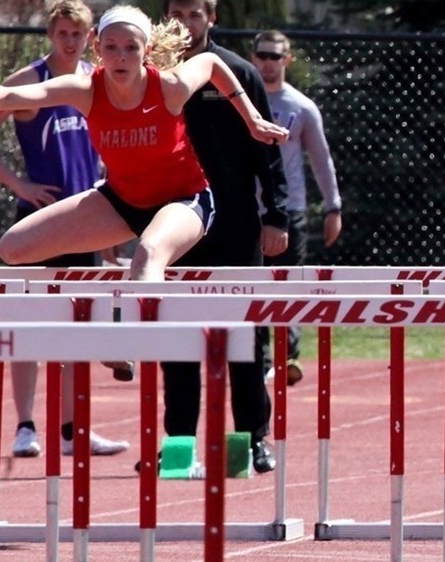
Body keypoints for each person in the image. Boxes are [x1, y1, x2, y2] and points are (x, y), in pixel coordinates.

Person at [0, 4, 287, 282]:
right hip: (122, 202)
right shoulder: (85, 90)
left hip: (184, 200)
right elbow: (12, 94)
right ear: (98, 50)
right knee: (13, 248)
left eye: (131, 48)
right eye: (111, 48)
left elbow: (213, 64)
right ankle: (115, 335)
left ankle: (133, 345)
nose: (120, 57)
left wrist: (251, 118)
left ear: (146, 52)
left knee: (148, 253)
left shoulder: (170, 87)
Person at [0, 0, 129, 456]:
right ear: (51, 35)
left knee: (79, 323)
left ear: (89, 38)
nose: (70, 41)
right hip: (40, 216)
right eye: (63, 34)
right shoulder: (28, 81)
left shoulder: (99, 79)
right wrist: (18, 183)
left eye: (78, 34)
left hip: (88, 217)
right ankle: (26, 427)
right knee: (29, 324)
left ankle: (73, 430)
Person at [156, 0, 290, 474]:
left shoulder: (236, 73)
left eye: (194, 14)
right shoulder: (153, 73)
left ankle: (253, 438)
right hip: (175, 224)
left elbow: (266, 150)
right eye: (176, 14)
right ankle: (179, 443)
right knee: (177, 338)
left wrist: (277, 215)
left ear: (210, 18)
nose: (184, 24)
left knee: (246, 334)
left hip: (234, 224)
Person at [253, 29, 343, 386]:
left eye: (275, 56)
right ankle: (256, 361)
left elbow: (321, 161)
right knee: (252, 285)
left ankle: (287, 357)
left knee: (288, 283)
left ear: (287, 60)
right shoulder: (240, 101)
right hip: (249, 210)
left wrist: (333, 207)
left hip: (290, 210)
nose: (268, 62)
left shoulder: (302, 107)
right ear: (253, 55)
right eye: (262, 55)